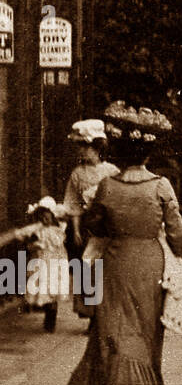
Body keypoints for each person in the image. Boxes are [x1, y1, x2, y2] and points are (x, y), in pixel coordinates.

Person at [58, 120, 182, 385]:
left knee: (111, 329)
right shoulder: (160, 185)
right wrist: (177, 253)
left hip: (116, 262)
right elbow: (177, 231)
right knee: (145, 330)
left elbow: (95, 224)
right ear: (148, 154)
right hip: (149, 262)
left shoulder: (108, 187)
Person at [63, 120, 119, 320]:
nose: (81, 152)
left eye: (84, 147)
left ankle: (103, 314)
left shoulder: (111, 171)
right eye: (80, 148)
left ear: (95, 147)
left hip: (107, 226)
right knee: (88, 268)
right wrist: (76, 230)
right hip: (88, 227)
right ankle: (91, 313)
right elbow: (74, 204)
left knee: (105, 269)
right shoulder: (77, 173)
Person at [22, 197, 70, 333]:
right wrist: (34, 245)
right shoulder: (36, 231)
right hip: (41, 263)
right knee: (42, 287)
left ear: (53, 217)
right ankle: (43, 308)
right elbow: (29, 246)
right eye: (42, 217)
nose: (45, 220)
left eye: (48, 217)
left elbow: (61, 245)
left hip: (55, 263)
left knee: (53, 289)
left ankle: (51, 320)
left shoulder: (58, 230)